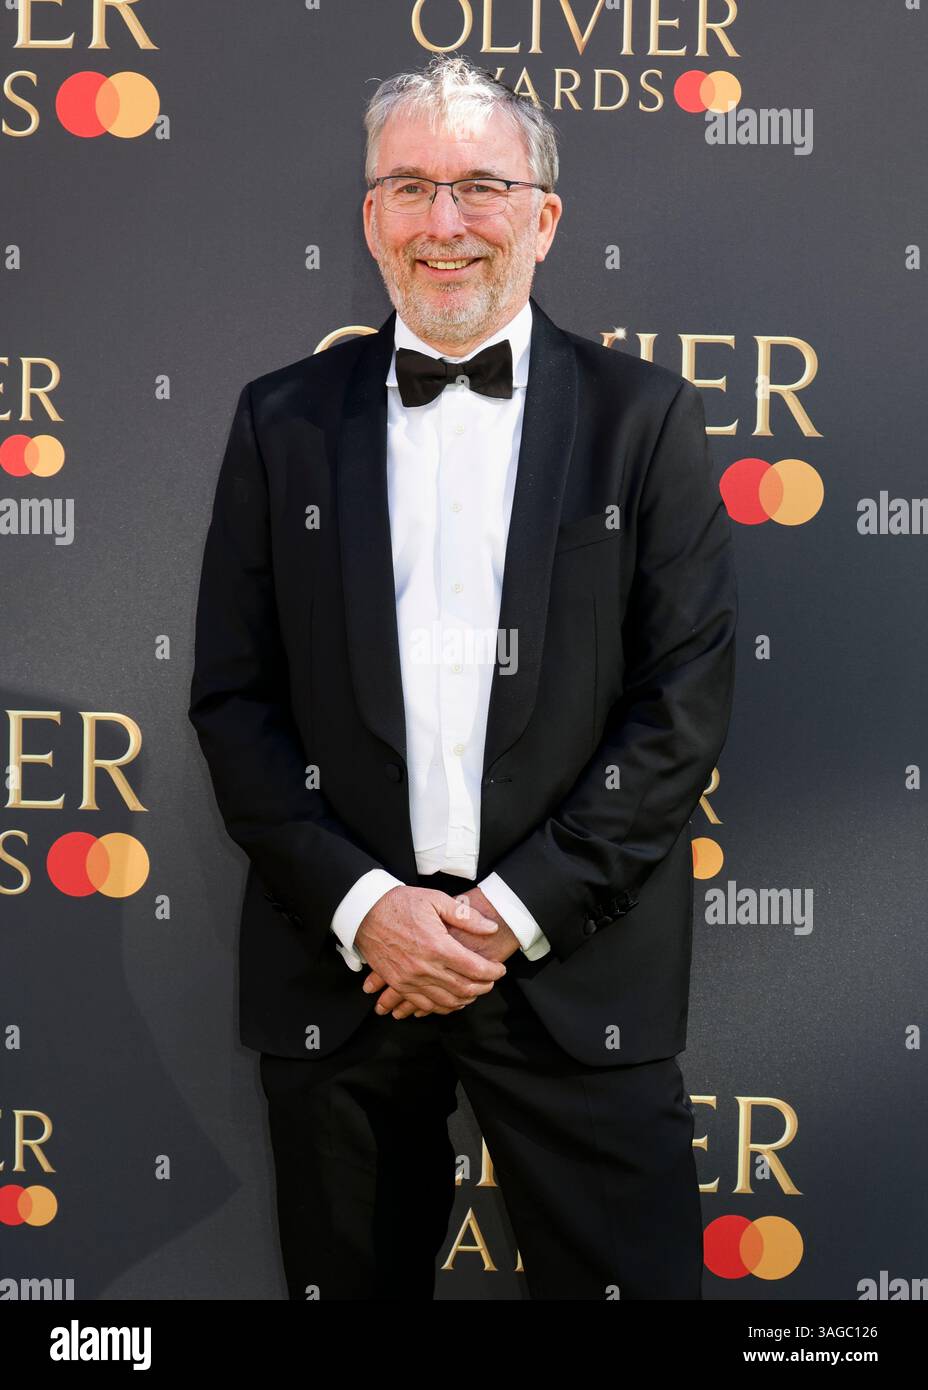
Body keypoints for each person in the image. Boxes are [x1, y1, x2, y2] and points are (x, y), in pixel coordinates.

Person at [188, 53, 737, 1301]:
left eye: (480, 186)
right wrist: (369, 904)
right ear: (370, 218)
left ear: (542, 218)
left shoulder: (642, 419)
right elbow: (234, 699)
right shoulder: (280, 421)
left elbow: (682, 703)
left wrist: (504, 915)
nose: (445, 224)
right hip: (344, 972)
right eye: (410, 188)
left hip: (572, 973)